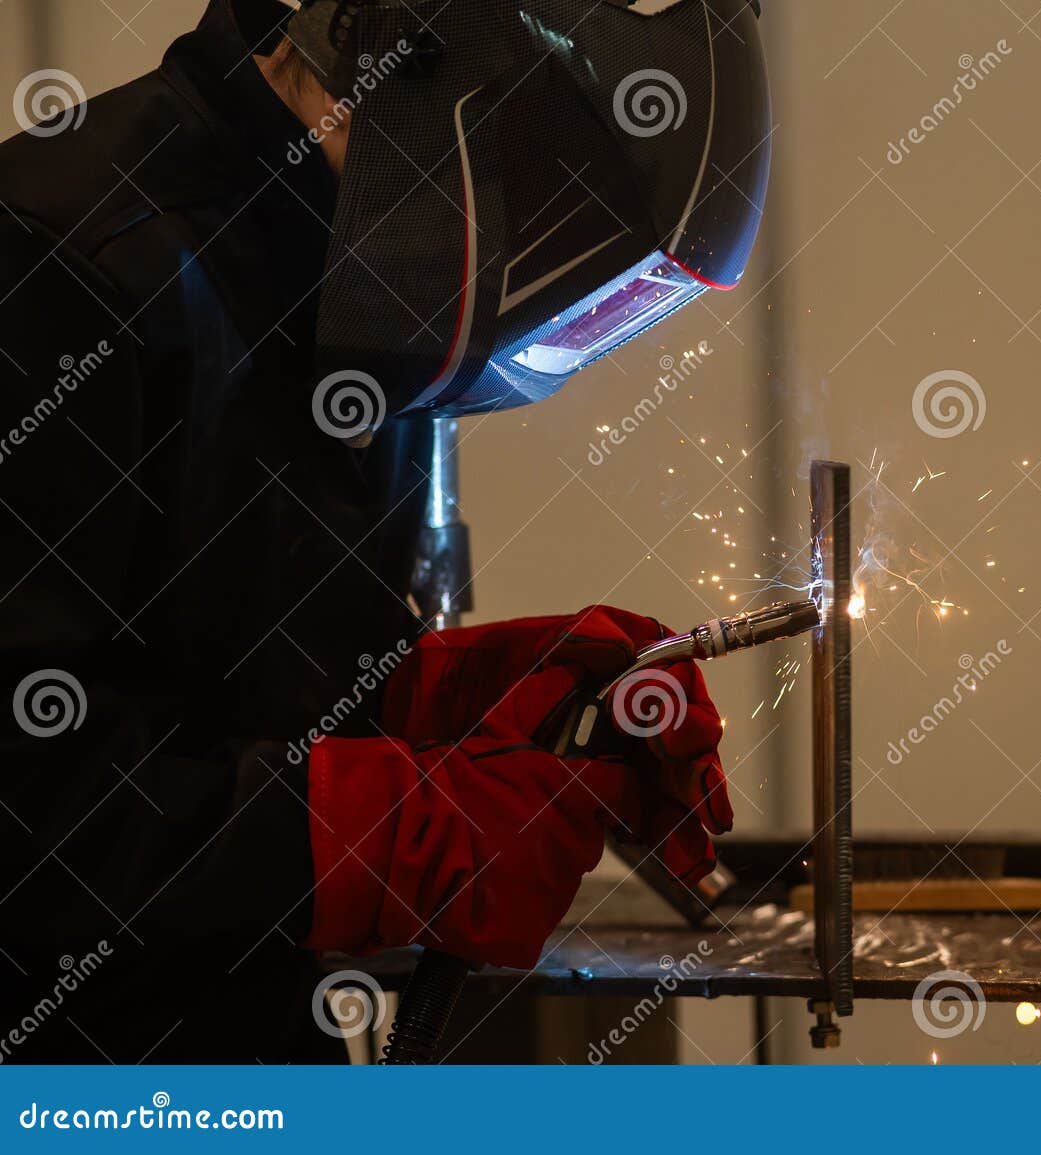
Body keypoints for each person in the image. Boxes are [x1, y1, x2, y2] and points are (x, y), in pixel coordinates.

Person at [0, 0, 767, 1062]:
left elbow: (227, 678)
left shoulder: (353, 281)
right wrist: (385, 835)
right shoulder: (54, 259)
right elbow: (29, 799)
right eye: (527, 171)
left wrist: (443, 699)